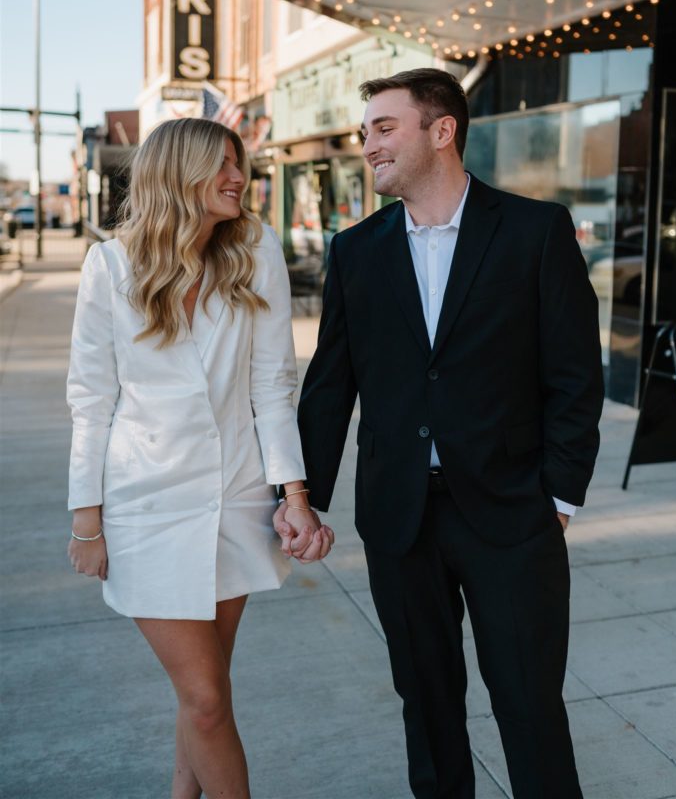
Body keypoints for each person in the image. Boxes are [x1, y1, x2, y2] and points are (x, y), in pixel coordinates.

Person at [275, 69, 604, 799]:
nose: (368, 145)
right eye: (365, 132)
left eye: (384, 127)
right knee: (425, 709)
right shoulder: (355, 250)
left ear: (441, 130)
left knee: (529, 708)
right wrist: (303, 496)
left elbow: (576, 377)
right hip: (400, 520)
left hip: (512, 514)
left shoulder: (533, 230)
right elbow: (331, 384)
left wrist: (559, 496)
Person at [67, 117, 332, 799]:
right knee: (207, 697)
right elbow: (91, 402)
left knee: (205, 693)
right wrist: (86, 522)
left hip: (236, 498)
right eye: (219, 166)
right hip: (145, 506)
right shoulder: (110, 265)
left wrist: (294, 498)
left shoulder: (254, 248)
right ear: (174, 176)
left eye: (238, 164)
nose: (238, 178)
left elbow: (273, 386)